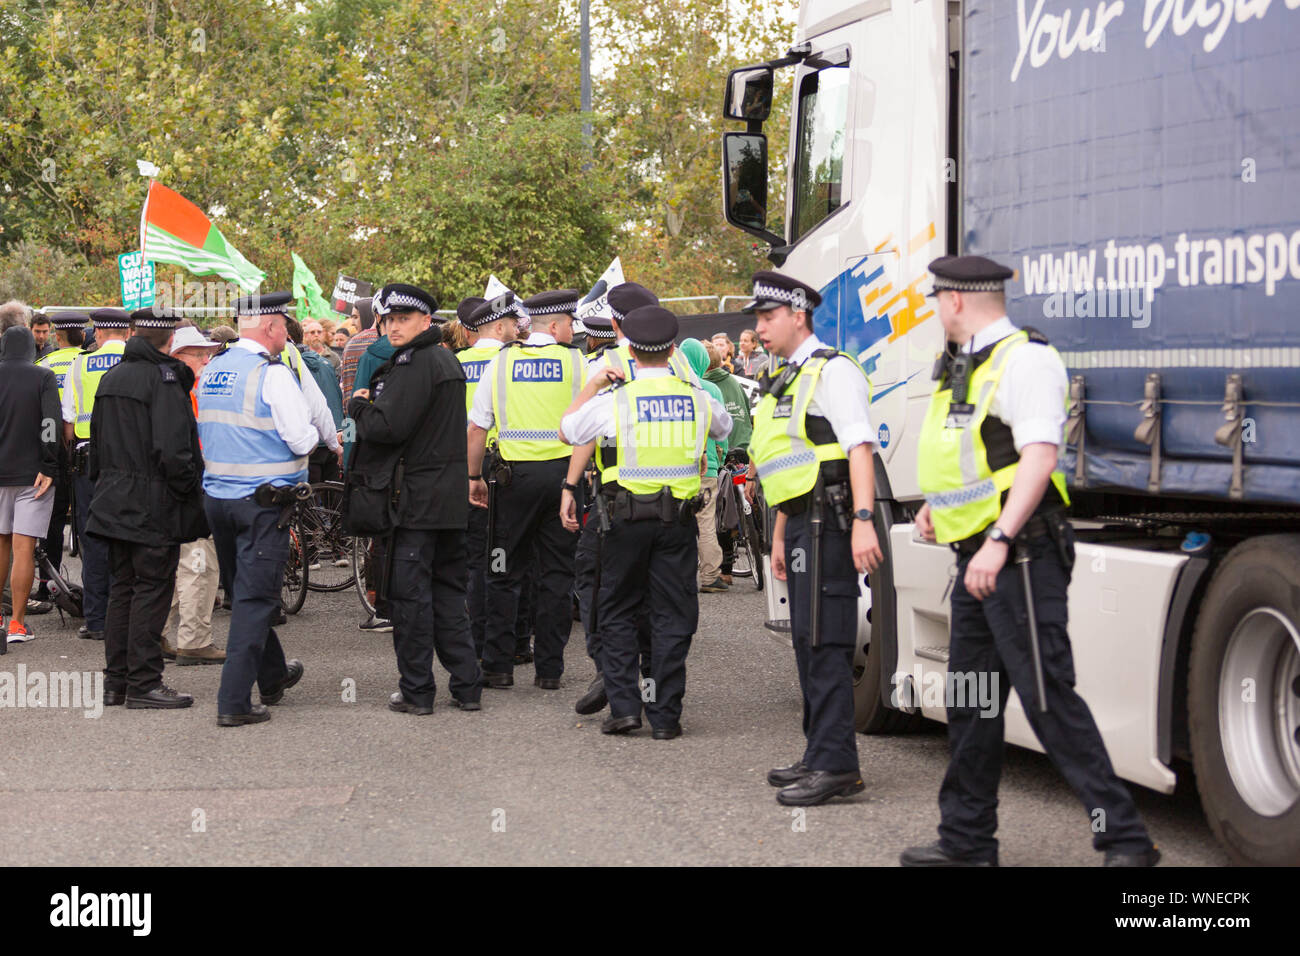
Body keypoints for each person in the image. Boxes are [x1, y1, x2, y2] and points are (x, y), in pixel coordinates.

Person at [900, 255, 1160, 867]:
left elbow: (1040, 458)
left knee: (1048, 701)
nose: (937, 309)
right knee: (972, 699)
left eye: (938, 298)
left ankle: (1126, 841)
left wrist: (997, 540)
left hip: (1017, 555)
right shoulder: (964, 365)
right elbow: (977, 455)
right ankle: (966, 842)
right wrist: (941, 507)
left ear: (957, 301)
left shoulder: (1027, 358)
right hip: (976, 558)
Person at [559, 305, 732, 737]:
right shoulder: (696, 397)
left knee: (617, 610)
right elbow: (723, 429)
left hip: (623, 521)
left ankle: (625, 707)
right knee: (671, 614)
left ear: (630, 352)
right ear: (672, 349)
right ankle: (665, 715)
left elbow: (568, 431)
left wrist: (595, 384)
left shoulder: (616, 398)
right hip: (678, 522)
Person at [745, 269, 882, 807]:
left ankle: (838, 766)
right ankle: (818, 751)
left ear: (797, 315)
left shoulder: (833, 372)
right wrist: (779, 533)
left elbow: (859, 448)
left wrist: (866, 519)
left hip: (832, 520)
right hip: (801, 519)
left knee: (826, 639)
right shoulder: (789, 376)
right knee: (806, 639)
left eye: (767, 316)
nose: (759, 328)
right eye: (757, 317)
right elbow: (789, 461)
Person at [347, 283, 482, 714]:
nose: (393, 327)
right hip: (443, 502)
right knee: (447, 596)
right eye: (387, 320)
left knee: (410, 600)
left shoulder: (415, 363)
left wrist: (359, 407)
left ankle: (418, 691)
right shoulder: (442, 359)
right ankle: (466, 687)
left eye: (402, 319)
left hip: (415, 504)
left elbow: (389, 428)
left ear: (426, 321)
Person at [197, 292, 309, 727]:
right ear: (270, 327)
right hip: (262, 504)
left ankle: (274, 675)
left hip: (219, 501)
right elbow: (301, 440)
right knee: (255, 600)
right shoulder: (272, 373)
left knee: (244, 594)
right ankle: (234, 702)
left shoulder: (215, 368)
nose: (286, 333)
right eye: (283, 325)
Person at [86, 308, 206, 708]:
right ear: (170, 339)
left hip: (113, 497)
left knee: (123, 589)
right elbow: (175, 452)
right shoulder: (164, 379)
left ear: (136, 333)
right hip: (152, 502)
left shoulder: (111, 377)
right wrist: (189, 490)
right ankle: (143, 683)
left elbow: (96, 443)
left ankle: (116, 682)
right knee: (151, 590)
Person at [467, 289, 585, 690]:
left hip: (511, 482)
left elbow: (477, 426)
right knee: (556, 574)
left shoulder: (500, 363)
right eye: (570, 322)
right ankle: (549, 671)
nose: (574, 329)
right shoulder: (574, 362)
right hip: (562, 481)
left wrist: (473, 478)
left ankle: (497, 667)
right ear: (553, 325)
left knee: (502, 569)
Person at [564, 281, 661, 715]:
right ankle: (653, 685)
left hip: (616, 499)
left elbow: (582, 430)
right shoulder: (677, 365)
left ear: (615, 322)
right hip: (671, 497)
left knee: (598, 584)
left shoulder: (608, 364)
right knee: (655, 594)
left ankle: (611, 670)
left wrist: (570, 485)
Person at [63, 308, 131, 642]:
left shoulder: (80, 363)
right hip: (130, 460)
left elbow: (68, 420)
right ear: (128, 333)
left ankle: (97, 619)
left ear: (99, 333)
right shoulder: (138, 362)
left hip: (88, 458)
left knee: (92, 537)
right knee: (130, 534)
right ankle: (129, 614)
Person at [161, 326, 226, 665]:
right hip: (194, 485)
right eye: (199, 353)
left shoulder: (165, 386)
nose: (206, 358)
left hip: (168, 489)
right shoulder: (185, 390)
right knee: (199, 565)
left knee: (175, 566)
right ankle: (194, 639)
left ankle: (155, 631)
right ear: (177, 355)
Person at [456, 294, 515, 659]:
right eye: (512, 323)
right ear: (498, 325)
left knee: (475, 558)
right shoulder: (512, 361)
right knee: (507, 557)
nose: (518, 329)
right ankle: (509, 644)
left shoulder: (456, 362)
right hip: (508, 465)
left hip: (466, 469)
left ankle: (477, 640)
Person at [0, 324, 60, 644]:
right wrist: (49, 463)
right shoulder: (43, 376)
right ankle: (17, 625)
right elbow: (50, 422)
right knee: (24, 549)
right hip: (32, 476)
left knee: (0, 546)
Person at [34, 312, 87, 605]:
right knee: (87, 517)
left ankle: (46, 586)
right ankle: (96, 588)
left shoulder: (43, 365)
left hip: (52, 448)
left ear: (57, 336)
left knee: (53, 520)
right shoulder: (90, 361)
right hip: (87, 445)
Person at [680, 339, 729, 593]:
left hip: (678, 467)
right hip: (706, 466)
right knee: (706, 521)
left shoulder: (676, 385)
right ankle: (710, 575)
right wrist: (723, 458)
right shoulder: (709, 389)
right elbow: (722, 430)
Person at [703, 341, 752, 584]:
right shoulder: (734, 381)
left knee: (720, 510)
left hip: (721, 453)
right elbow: (747, 409)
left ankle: (724, 569)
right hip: (745, 448)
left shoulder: (705, 387)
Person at [284, 317, 345, 485]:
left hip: (313, 443)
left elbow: (329, 405)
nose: (316, 335)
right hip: (334, 439)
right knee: (332, 502)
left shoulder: (291, 365)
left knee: (309, 504)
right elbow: (343, 403)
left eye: (319, 331)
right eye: (312, 332)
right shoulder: (326, 363)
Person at [340, 296, 378, 400]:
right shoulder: (353, 343)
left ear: (368, 316)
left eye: (356, 317)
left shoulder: (353, 344)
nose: (352, 323)